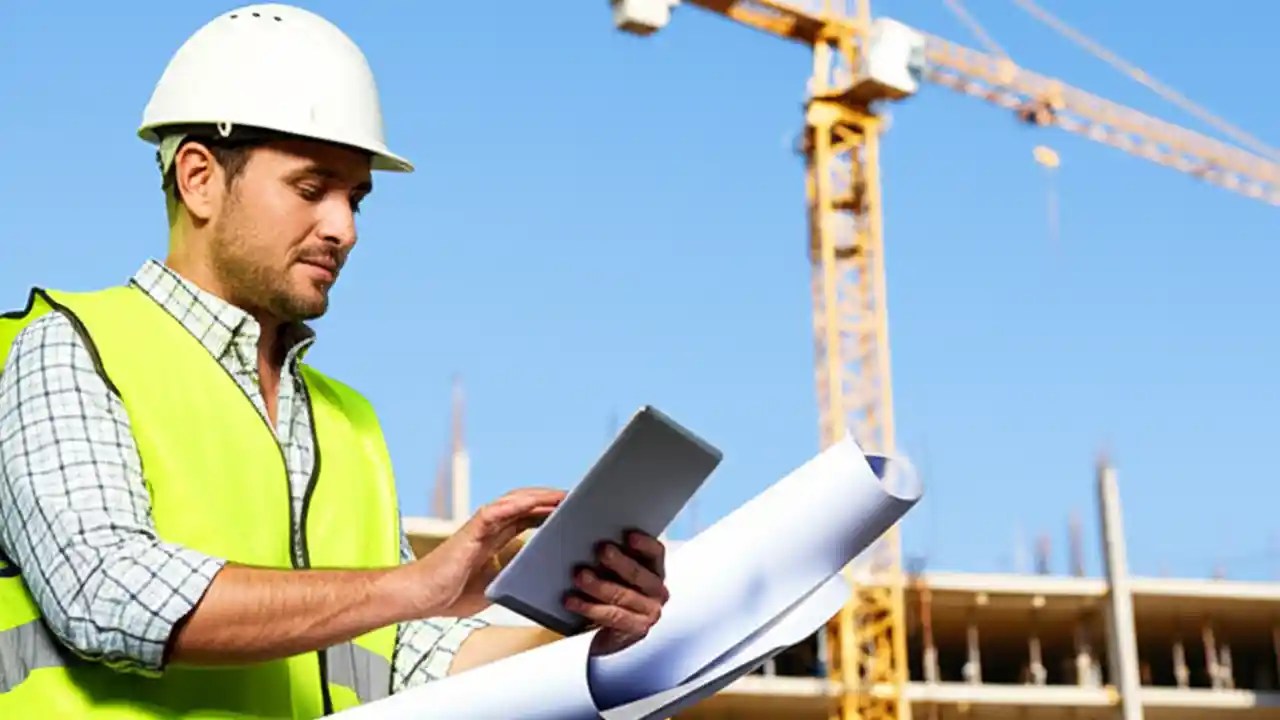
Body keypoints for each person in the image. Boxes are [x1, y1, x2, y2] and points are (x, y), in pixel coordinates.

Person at [0, 4, 669, 717]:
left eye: (356, 198)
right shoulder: (69, 345)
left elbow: (415, 658)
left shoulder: (349, 425)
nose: (343, 229)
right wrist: (414, 586)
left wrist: (585, 629)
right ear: (198, 178)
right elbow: (105, 590)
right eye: (312, 189)